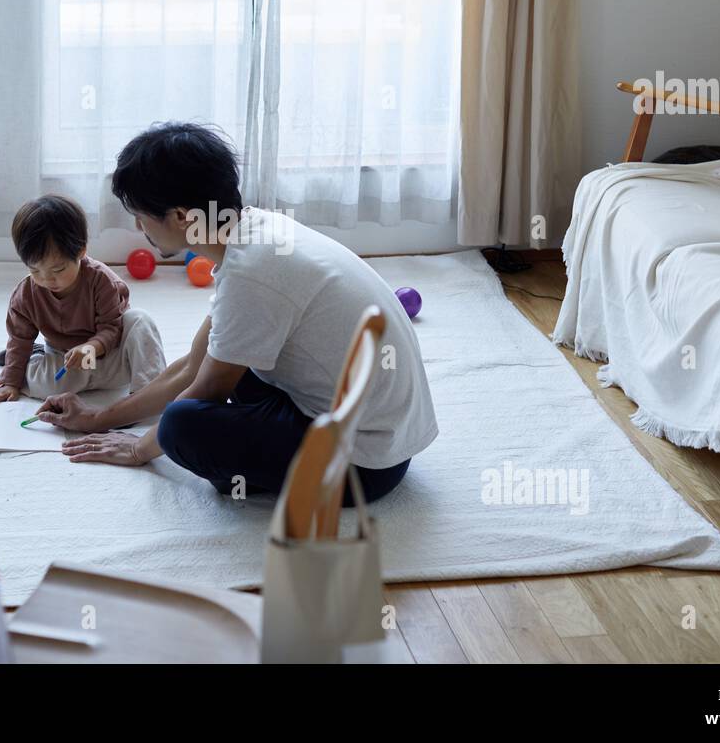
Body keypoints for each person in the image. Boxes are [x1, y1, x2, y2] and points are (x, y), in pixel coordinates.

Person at [38, 124, 437, 504]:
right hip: (378, 432)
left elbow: (207, 388)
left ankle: (258, 471)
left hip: (365, 464)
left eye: (141, 215)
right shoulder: (256, 231)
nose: (139, 226)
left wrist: (138, 449)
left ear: (181, 217)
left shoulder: (253, 272)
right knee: (230, 367)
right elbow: (194, 366)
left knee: (181, 427)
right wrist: (98, 419)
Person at [0, 194, 166, 404]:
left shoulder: (103, 281)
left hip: (111, 357)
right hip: (66, 362)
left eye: (58, 269)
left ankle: (146, 394)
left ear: (81, 251)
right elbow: (19, 339)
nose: (47, 279)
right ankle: (32, 357)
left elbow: (112, 328)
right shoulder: (25, 294)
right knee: (43, 384)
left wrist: (92, 347)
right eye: (35, 270)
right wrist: (10, 383)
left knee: (140, 319)